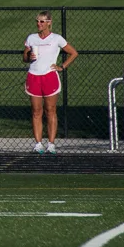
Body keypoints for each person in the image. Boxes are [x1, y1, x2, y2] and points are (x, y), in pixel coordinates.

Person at [22, 11, 77, 154]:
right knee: (36, 112)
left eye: (42, 21)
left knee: (51, 110)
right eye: (37, 21)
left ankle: (51, 144)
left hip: (49, 77)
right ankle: (38, 144)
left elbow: (73, 53)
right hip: (33, 76)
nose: (38, 24)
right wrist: (29, 56)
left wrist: (61, 67)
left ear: (49, 22)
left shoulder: (56, 38)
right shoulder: (32, 38)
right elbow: (25, 57)